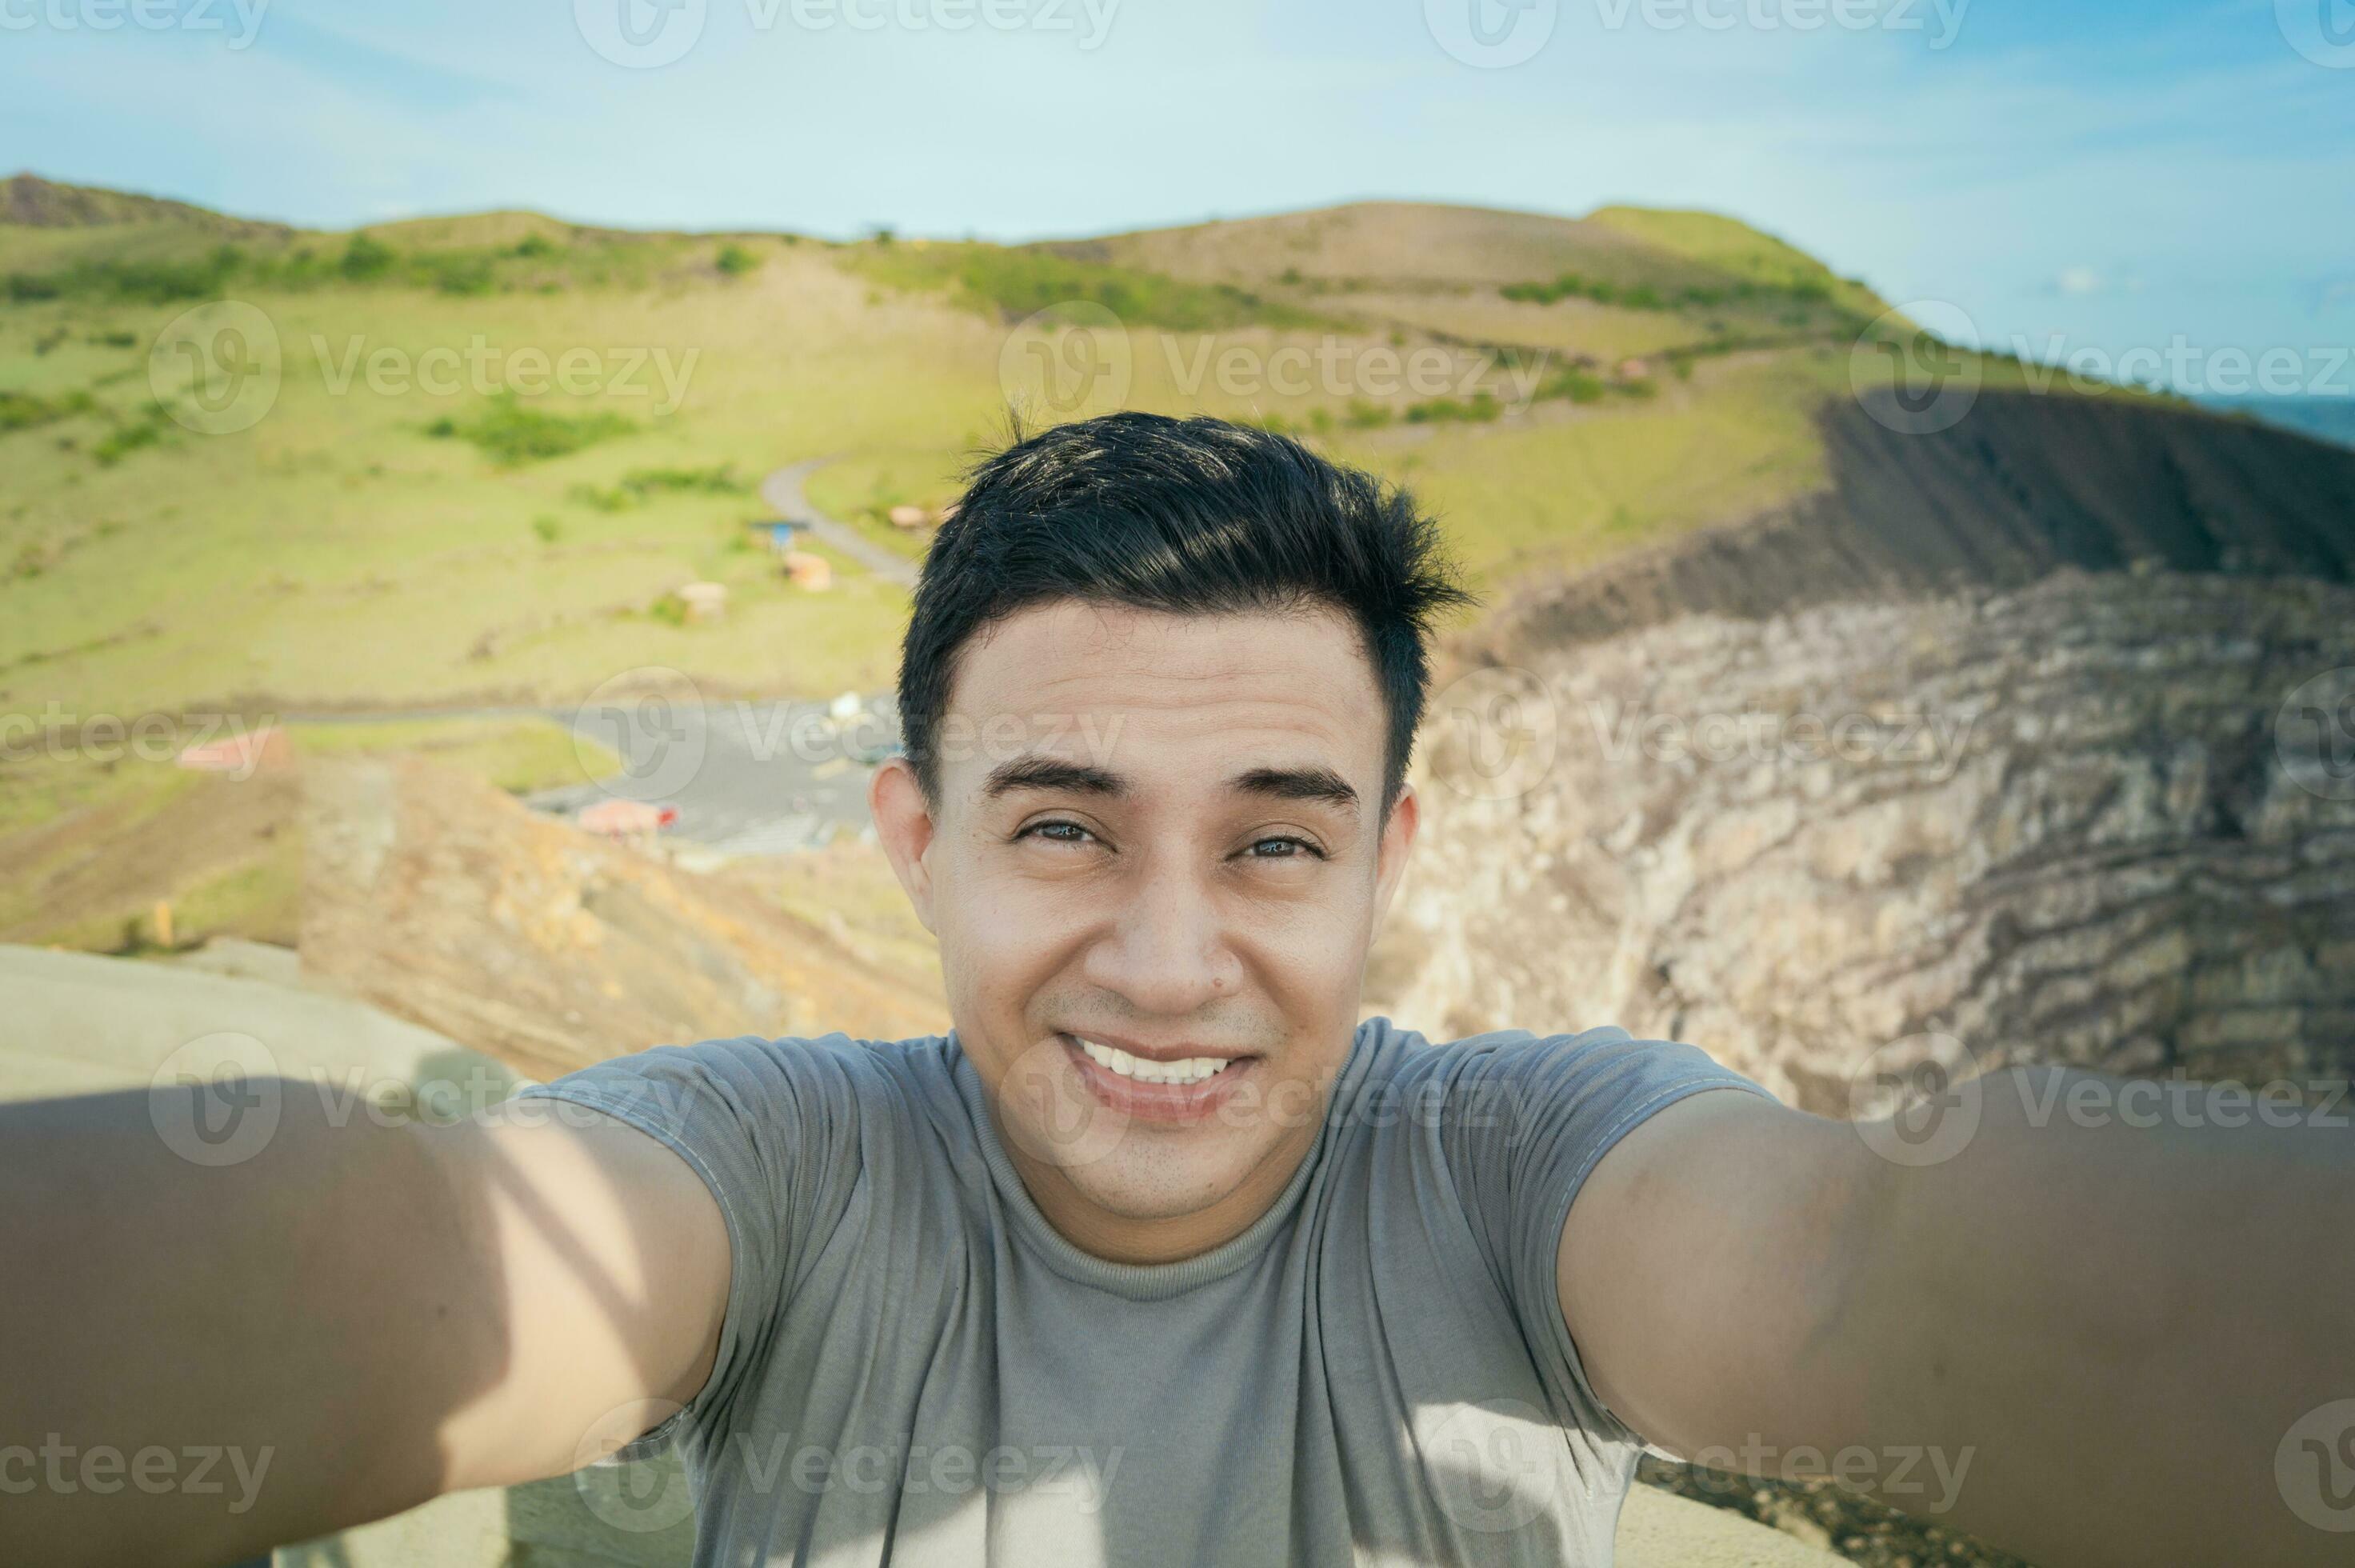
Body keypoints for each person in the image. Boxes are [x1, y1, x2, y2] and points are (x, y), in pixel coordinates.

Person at [5, 413, 2349, 1566]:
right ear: (910, 845)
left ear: (1389, 869)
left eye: (1276, 841)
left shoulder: (1528, 1161)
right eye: (1058, 826)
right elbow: (411, 1264)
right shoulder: (779, 1161)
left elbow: (1874, 1267)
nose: (1164, 953)